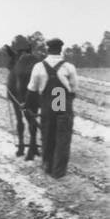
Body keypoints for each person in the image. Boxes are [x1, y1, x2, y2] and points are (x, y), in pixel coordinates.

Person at [25, 37, 77, 179]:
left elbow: (31, 90)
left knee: (48, 134)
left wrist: (27, 106)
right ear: (60, 50)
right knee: (63, 137)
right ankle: (58, 172)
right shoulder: (69, 67)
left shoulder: (39, 67)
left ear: (48, 49)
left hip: (48, 106)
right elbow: (73, 90)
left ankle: (48, 166)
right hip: (62, 104)